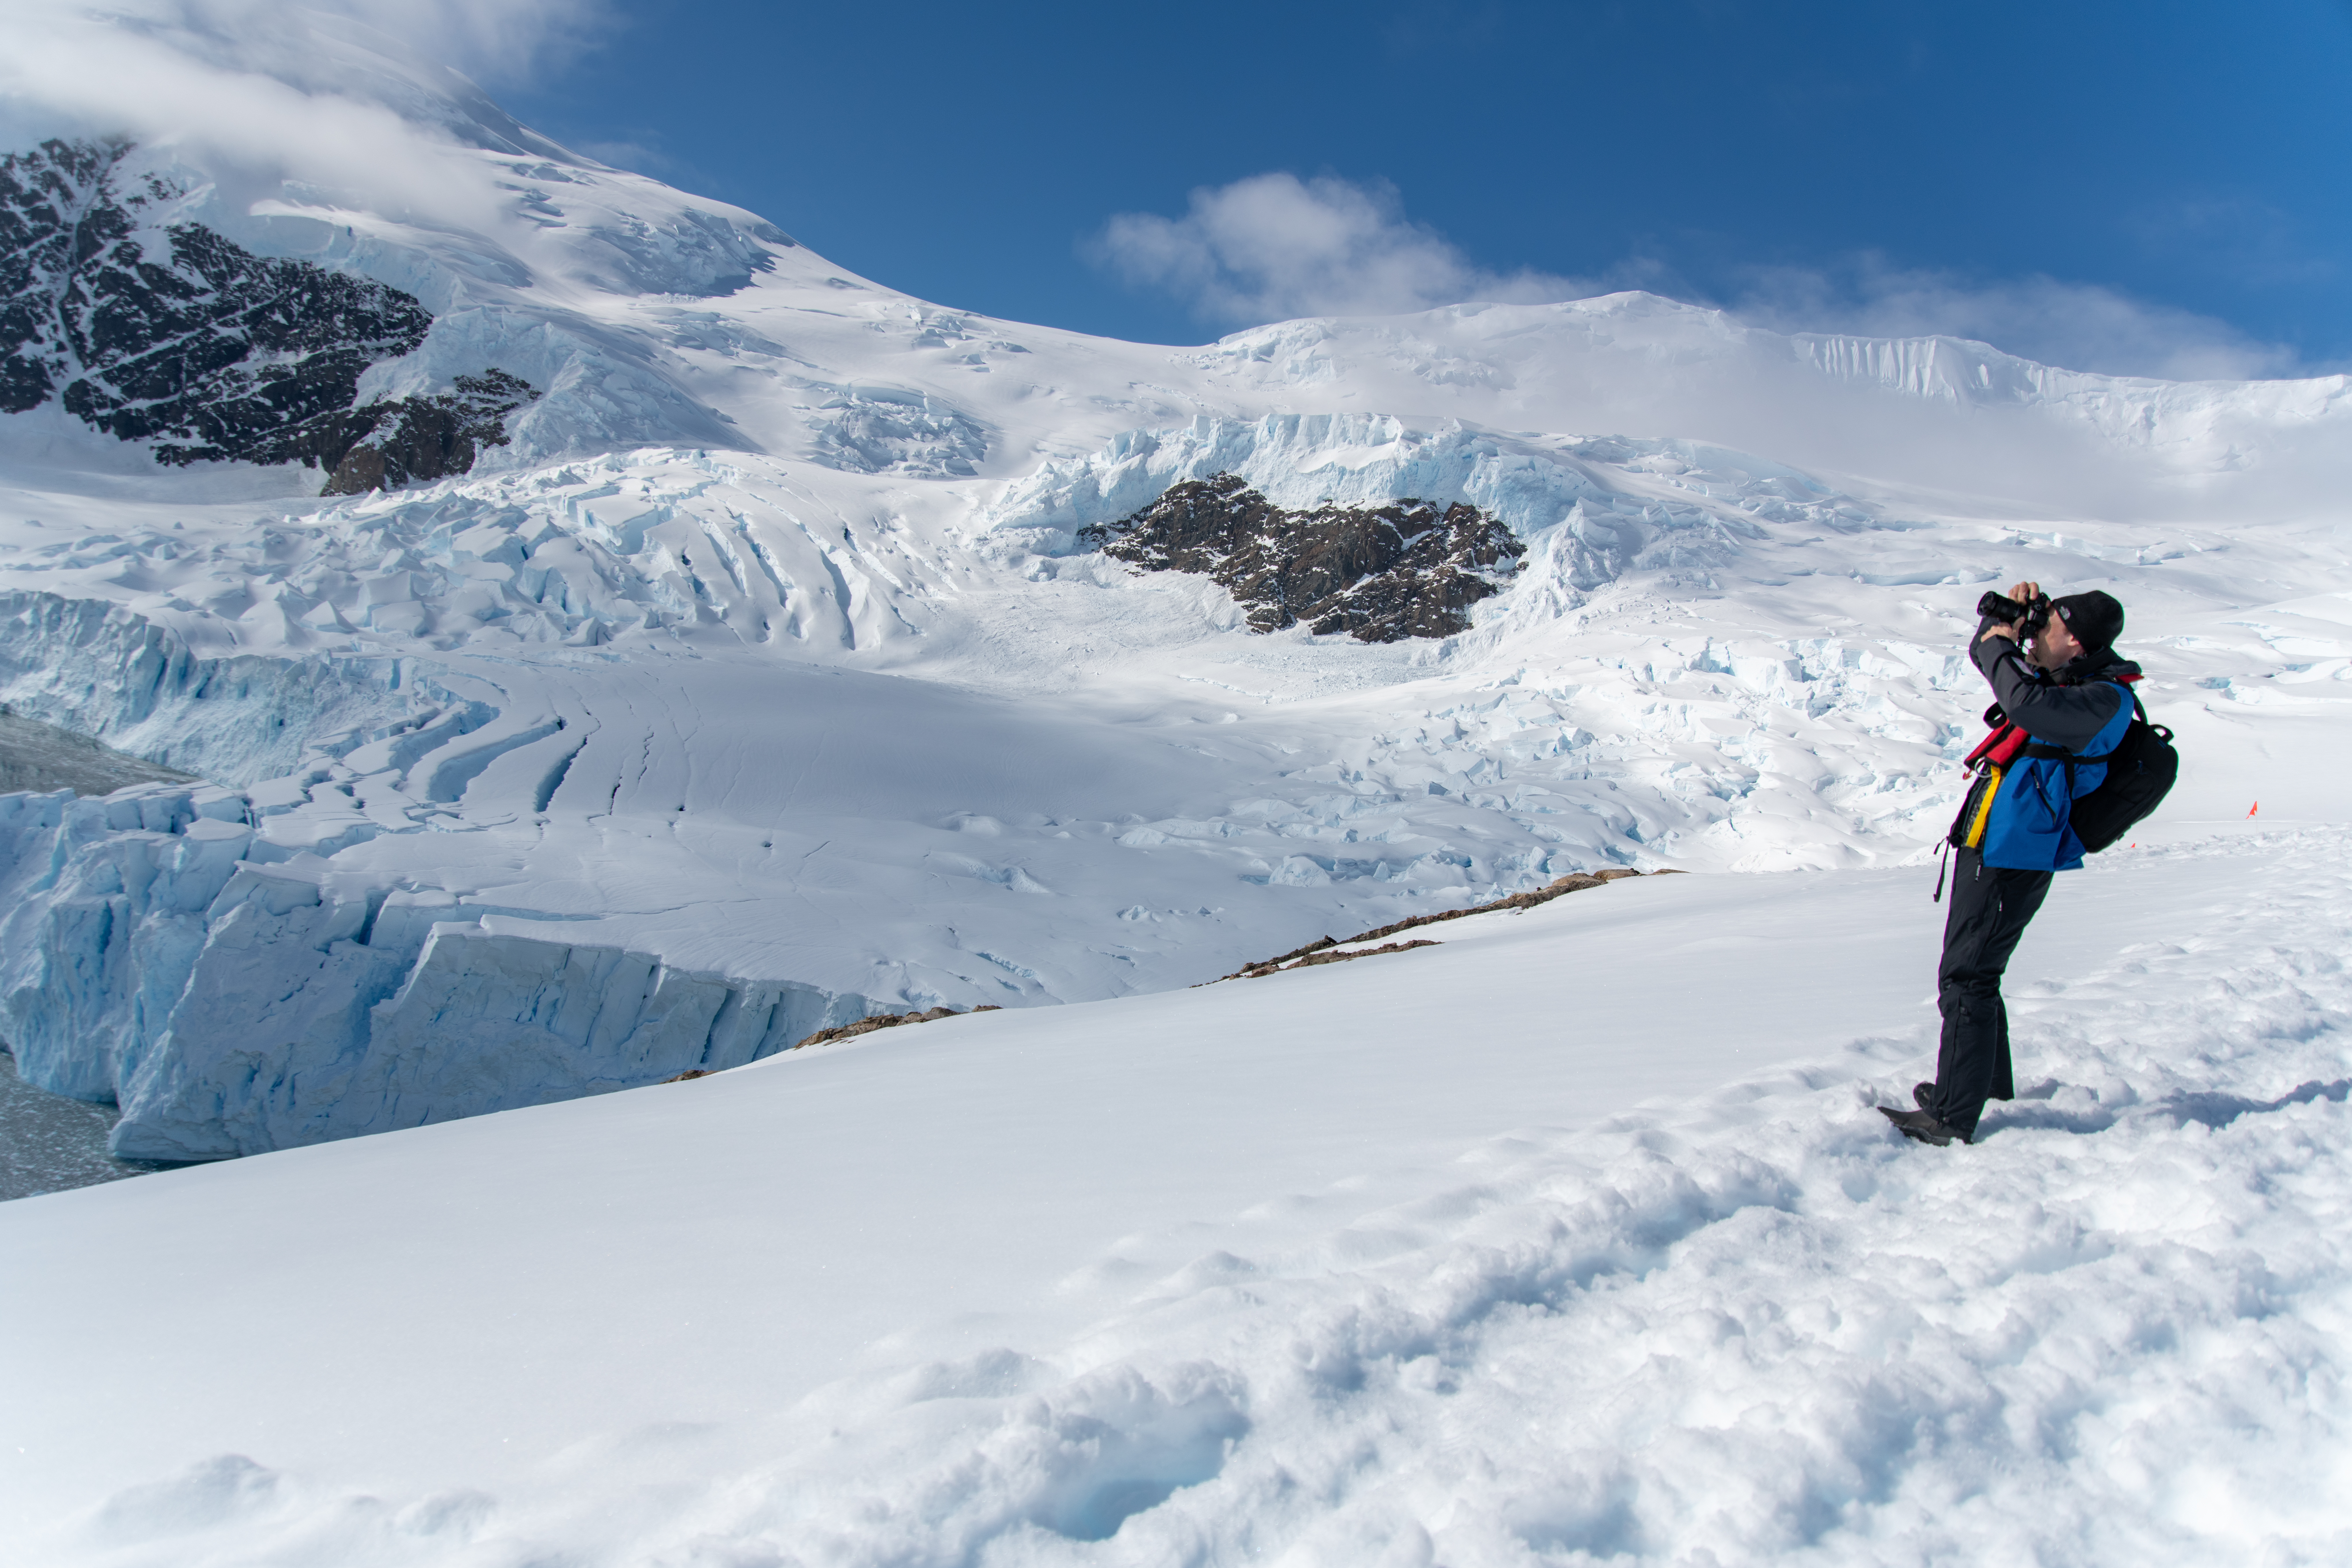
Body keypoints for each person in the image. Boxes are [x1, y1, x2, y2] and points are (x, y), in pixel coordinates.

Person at [1882, 582, 2137, 1147]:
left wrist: (2004, 642)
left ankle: (1951, 1115)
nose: (2034, 636)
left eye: (2045, 627)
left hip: (2017, 853)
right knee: (1975, 972)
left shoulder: (2102, 699)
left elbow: (2023, 702)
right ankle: (1980, 1085)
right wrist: (2004, 627)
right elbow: (1992, 662)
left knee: (1967, 977)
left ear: (2072, 640)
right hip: (1996, 843)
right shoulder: (2070, 683)